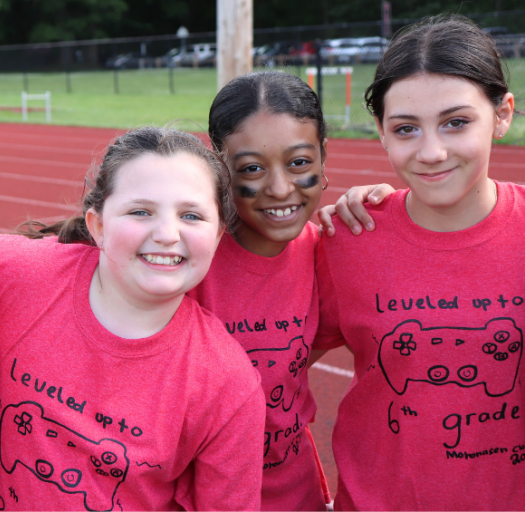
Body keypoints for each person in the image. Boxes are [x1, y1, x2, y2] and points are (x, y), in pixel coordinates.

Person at [0, 127, 266, 510]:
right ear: (97, 226)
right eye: (140, 211)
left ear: (218, 236)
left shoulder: (227, 384)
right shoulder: (21, 276)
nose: (166, 233)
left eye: (191, 215)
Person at [313, 15, 525, 510]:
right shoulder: (348, 236)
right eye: (407, 129)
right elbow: (272, 365)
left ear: (502, 114)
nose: (432, 152)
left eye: (456, 122)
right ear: (382, 133)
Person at [188, 70, 330, 510]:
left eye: (300, 162)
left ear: (324, 156)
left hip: (296, 494)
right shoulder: (180, 257)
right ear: (219, 166)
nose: (280, 187)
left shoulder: (331, 253)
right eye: (251, 168)